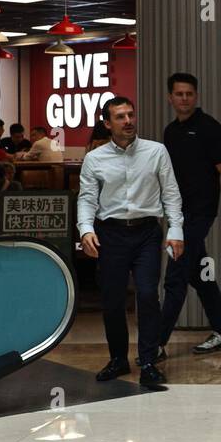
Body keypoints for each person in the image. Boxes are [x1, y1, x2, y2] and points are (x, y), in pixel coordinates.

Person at [77, 96, 184, 392]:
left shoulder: (156, 152)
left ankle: (148, 361)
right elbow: (87, 198)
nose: (128, 121)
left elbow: (171, 194)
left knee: (149, 295)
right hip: (110, 234)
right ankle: (117, 358)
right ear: (107, 123)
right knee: (112, 299)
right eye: (120, 117)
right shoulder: (94, 159)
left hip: (147, 232)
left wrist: (176, 230)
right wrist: (85, 229)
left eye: (131, 115)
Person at [159, 72, 221, 358]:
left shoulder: (209, 127)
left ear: (196, 96)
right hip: (179, 213)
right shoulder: (170, 132)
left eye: (189, 94)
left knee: (175, 275)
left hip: (201, 213)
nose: (184, 98)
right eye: (179, 94)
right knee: (200, 274)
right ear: (170, 98)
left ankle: (156, 343)